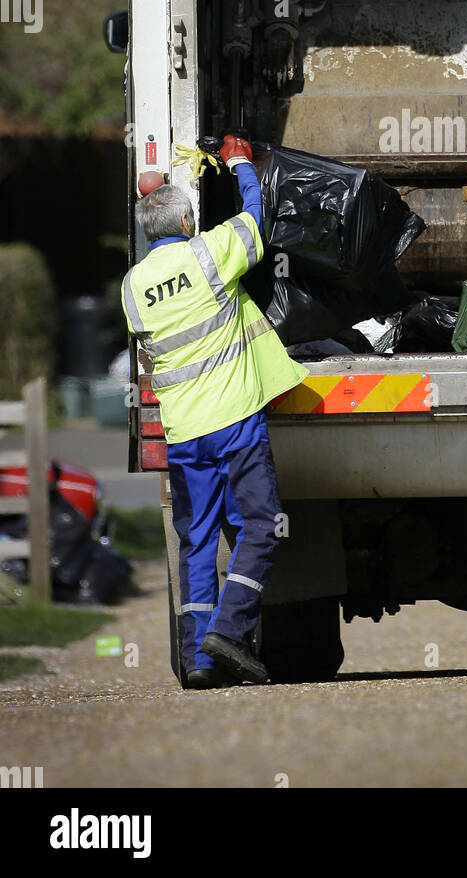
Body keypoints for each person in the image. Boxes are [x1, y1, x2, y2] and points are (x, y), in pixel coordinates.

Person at [120, 134, 309, 688]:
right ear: (185, 225)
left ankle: (200, 661)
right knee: (261, 527)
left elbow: (147, 336)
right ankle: (228, 629)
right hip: (234, 424)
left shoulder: (132, 287)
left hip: (185, 434)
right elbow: (257, 218)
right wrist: (239, 163)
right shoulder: (208, 253)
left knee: (197, 540)